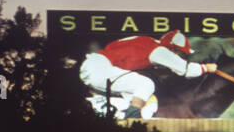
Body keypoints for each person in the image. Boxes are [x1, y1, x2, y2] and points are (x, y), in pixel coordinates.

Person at [79, 31, 217, 119]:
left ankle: (110, 110)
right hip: (100, 69)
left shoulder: (147, 42)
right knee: (146, 84)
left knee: (148, 100)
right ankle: (132, 117)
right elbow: (186, 70)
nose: (182, 56)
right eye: (181, 53)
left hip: (96, 67)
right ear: (173, 49)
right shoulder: (159, 51)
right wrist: (207, 67)